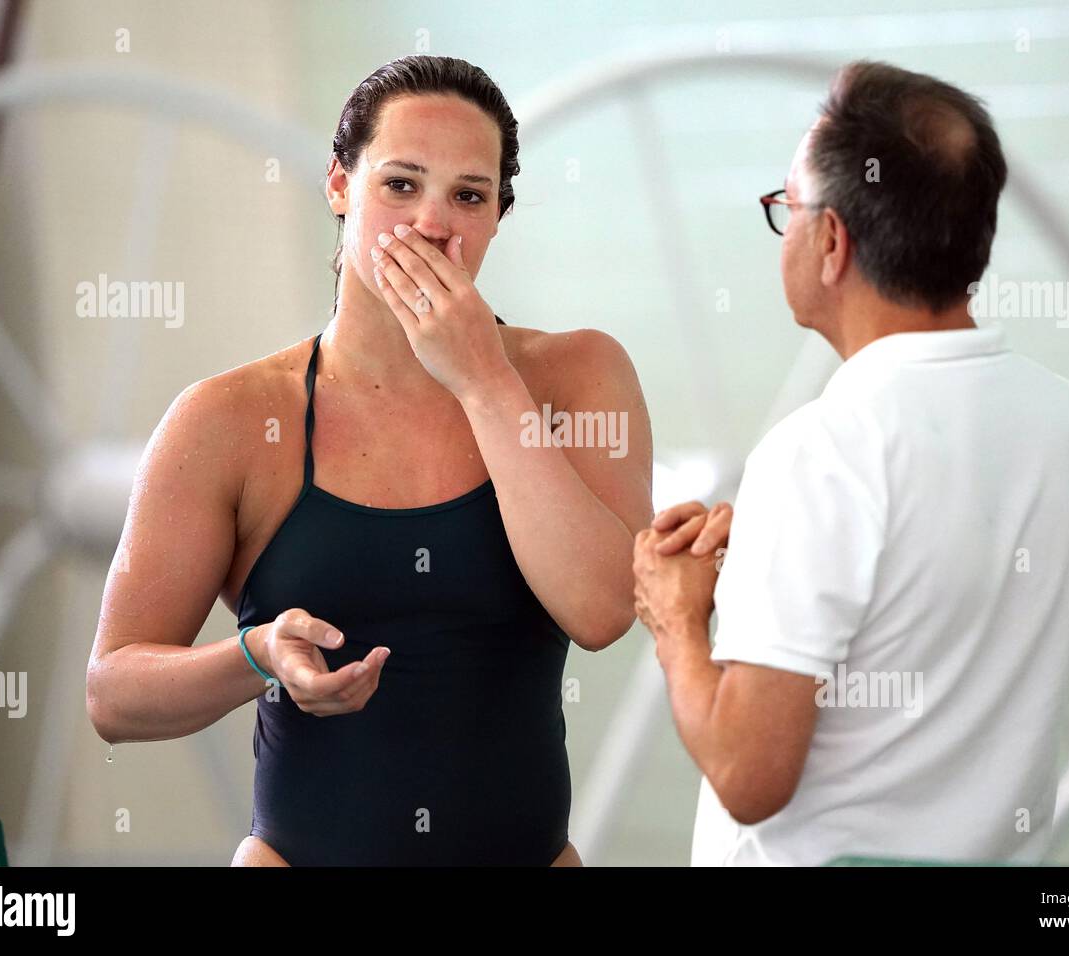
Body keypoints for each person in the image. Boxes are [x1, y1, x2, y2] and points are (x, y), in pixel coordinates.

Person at [86, 55, 653, 866]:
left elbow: (601, 611)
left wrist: (485, 381)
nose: (432, 223)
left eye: (469, 195)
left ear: (498, 217)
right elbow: (112, 696)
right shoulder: (232, 419)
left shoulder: (579, 376)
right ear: (339, 187)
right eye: (400, 184)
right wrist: (255, 654)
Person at [633, 60, 1069, 866]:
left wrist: (677, 621)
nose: (783, 230)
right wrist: (770, 568)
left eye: (784, 209)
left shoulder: (818, 450)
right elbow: (951, 633)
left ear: (831, 241)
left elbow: (749, 777)